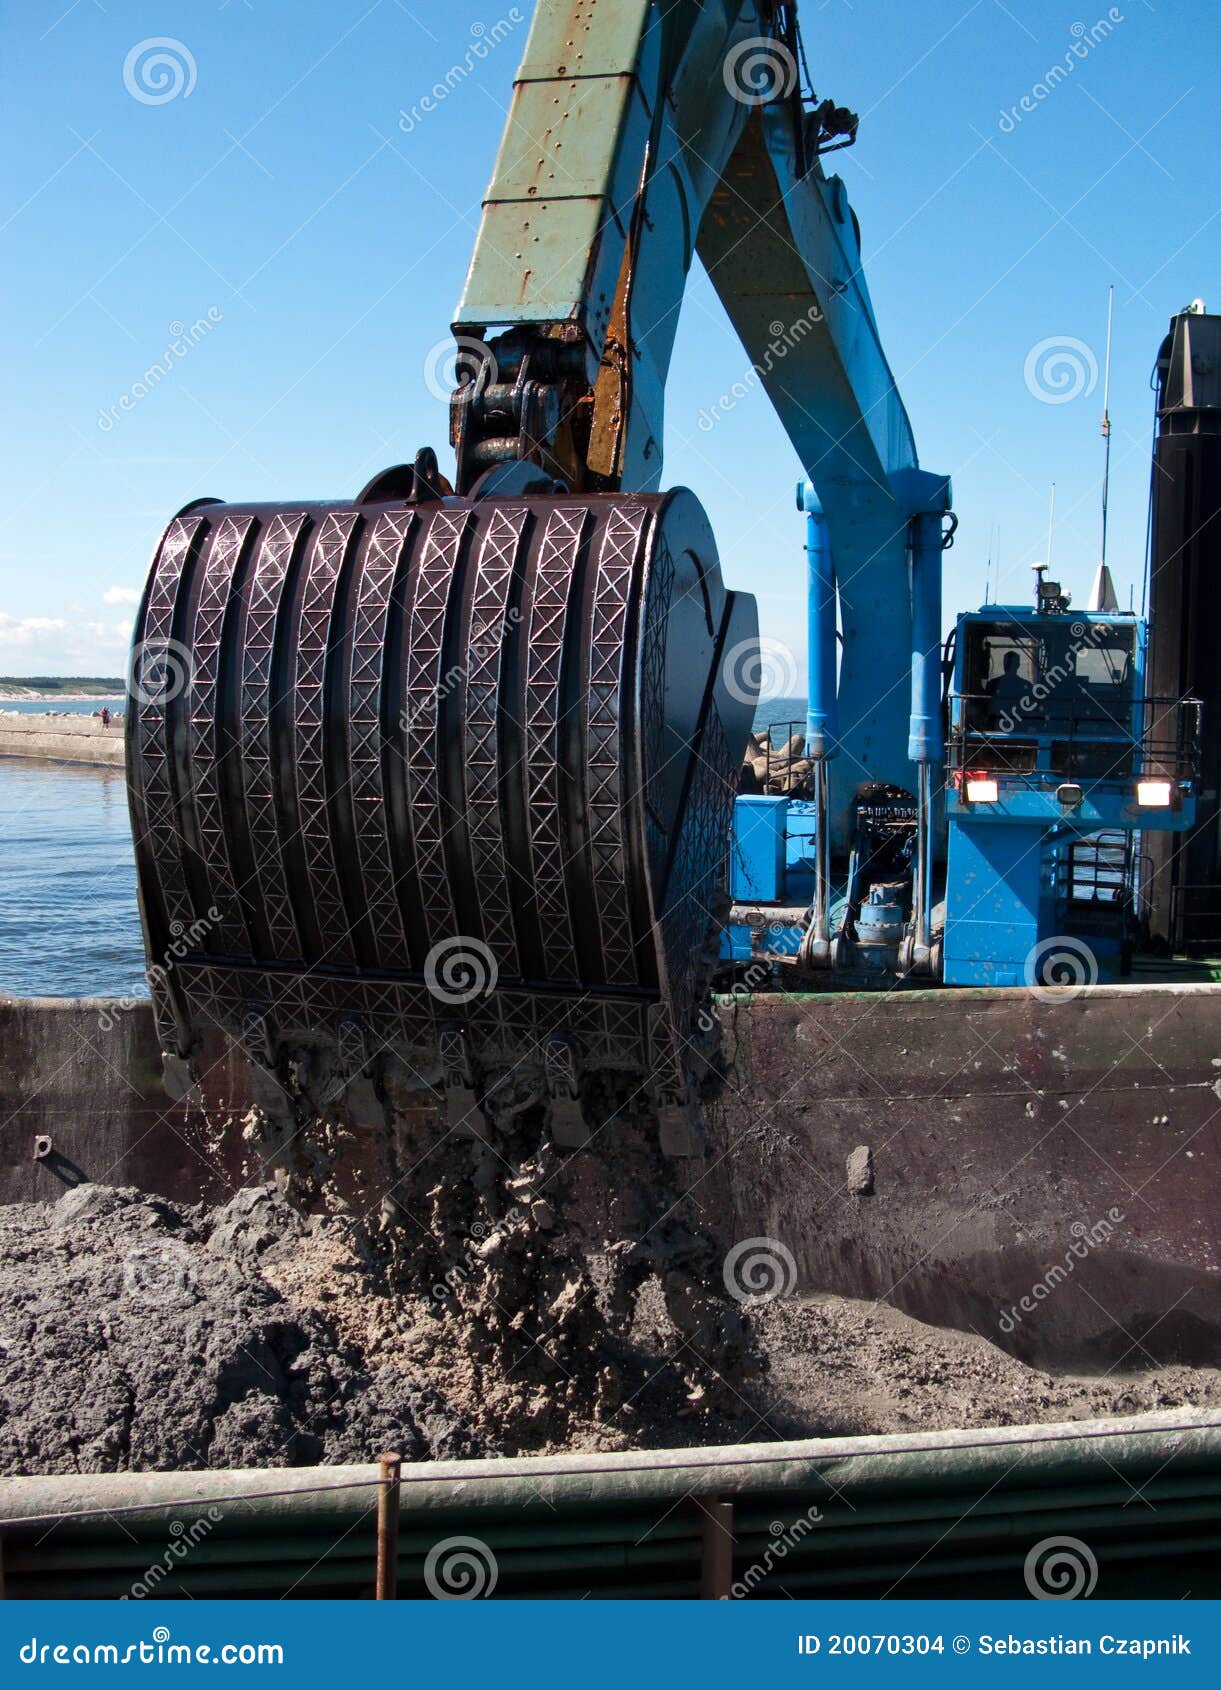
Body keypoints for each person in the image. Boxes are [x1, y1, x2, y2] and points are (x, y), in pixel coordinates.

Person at [983, 649, 1027, 726]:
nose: (1009, 665)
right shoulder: (992, 684)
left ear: (1018, 665)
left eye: (1011, 662)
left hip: (1019, 726)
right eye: (1007, 662)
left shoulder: (1026, 686)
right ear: (1004, 664)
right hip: (993, 728)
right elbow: (985, 708)